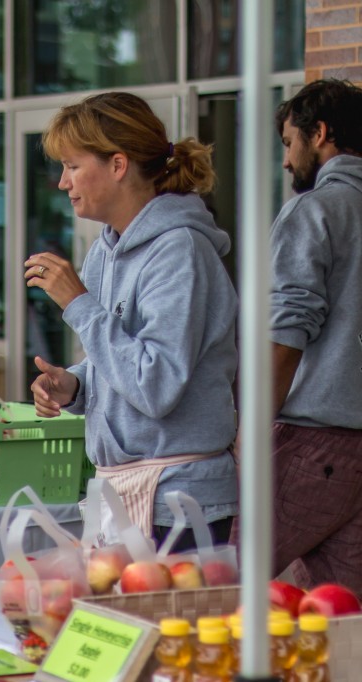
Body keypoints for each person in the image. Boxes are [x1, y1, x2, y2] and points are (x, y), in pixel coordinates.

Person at [25, 92, 239, 551]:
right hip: (121, 493)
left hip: (179, 502)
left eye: (73, 165)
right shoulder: (106, 248)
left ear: (118, 165)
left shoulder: (180, 250)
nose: (63, 182)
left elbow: (155, 384)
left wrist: (78, 303)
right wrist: (76, 386)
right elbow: (121, 359)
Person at [267, 79, 362, 593]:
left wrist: (250, 429)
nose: (286, 161)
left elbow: (287, 330)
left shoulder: (316, 209)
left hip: (313, 442)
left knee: (219, 584)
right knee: (339, 622)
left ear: (319, 133)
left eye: (288, 143)